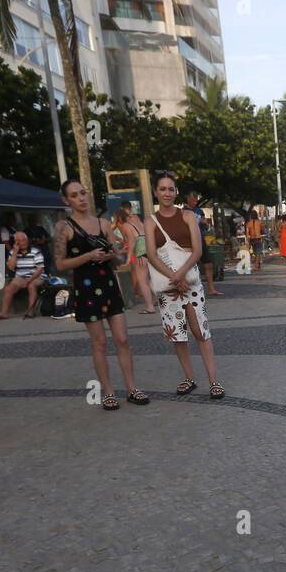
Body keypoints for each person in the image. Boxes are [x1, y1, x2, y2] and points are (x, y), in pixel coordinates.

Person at [53, 178, 148, 411]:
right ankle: (108, 393)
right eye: (74, 195)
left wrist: (111, 256)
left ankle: (132, 389)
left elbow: (119, 255)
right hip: (86, 289)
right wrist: (87, 257)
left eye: (83, 193)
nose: (81, 198)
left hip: (108, 284)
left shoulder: (104, 224)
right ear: (66, 200)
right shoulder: (63, 228)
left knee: (123, 339)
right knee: (100, 343)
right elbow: (60, 264)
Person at [143, 173, 223, 400]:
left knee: (200, 330)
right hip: (167, 284)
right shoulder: (150, 221)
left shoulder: (188, 216)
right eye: (162, 189)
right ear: (156, 192)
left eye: (171, 189)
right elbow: (151, 254)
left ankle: (214, 381)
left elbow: (197, 250)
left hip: (190, 281)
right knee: (177, 334)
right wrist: (173, 277)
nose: (167, 193)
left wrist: (180, 275)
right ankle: (188, 377)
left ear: (176, 192)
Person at [112, 202, 155, 314]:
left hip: (140, 252)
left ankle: (150, 307)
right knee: (149, 279)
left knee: (142, 281)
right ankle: (158, 301)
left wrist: (128, 257)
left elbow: (131, 241)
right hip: (149, 247)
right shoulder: (135, 219)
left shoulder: (126, 226)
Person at [0, 231, 44, 319]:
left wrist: (29, 280)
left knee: (31, 286)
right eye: (20, 241)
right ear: (16, 242)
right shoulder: (12, 252)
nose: (23, 242)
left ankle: (31, 311)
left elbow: (40, 269)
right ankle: (4, 312)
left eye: (24, 240)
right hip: (21, 277)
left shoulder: (35, 251)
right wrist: (15, 253)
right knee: (9, 289)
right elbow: (11, 267)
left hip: (36, 276)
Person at [184, 190, 222, 295]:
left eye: (196, 200)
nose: (195, 202)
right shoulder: (183, 211)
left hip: (200, 239)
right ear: (188, 199)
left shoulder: (199, 211)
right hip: (189, 241)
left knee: (208, 263)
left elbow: (205, 224)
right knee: (192, 266)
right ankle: (193, 289)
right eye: (193, 199)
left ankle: (211, 288)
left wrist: (204, 223)